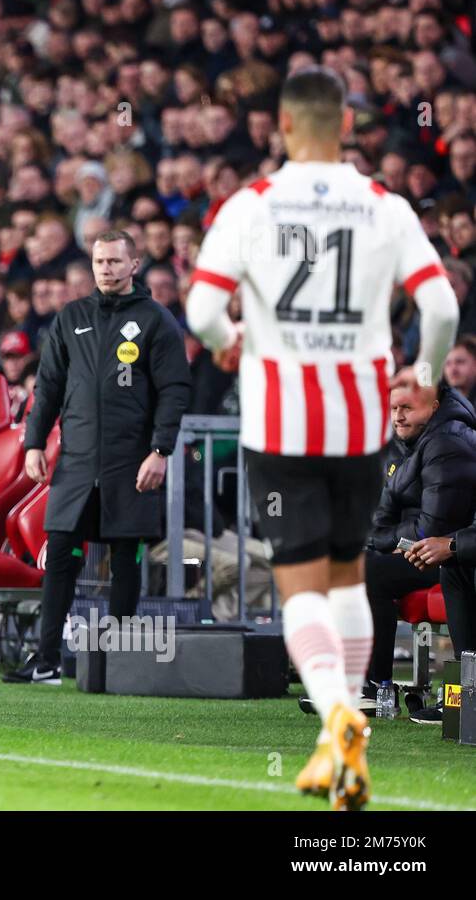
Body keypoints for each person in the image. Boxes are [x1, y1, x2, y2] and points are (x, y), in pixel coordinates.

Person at [186, 67, 460, 810]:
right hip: (361, 425)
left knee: (300, 583)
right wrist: (425, 373)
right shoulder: (385, 205)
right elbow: (439, 304)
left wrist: (232, 338)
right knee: (346, 579)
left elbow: (204, 311)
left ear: (282, 123)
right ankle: (337, 741)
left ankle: (340, 717)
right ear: (345, 124)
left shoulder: (251, 204)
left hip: (280, 421)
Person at [8, 229, 191, 686]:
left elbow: (175, 390)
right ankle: (48, 659)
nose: (106, 270)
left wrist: (161, 450)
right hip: (77, 460)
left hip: (131, 460)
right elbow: (47, 385)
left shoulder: (156, 320)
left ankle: (118, 664)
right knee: (63, 553)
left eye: (114, 262)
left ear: (134, 265)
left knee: (125, 555)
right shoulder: (72, 317)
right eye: (99, 263)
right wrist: (33, 442)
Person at [361, 381, 476, 723]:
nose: (398, 416)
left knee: (451, 563)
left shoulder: (448, 442)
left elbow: (434, 526)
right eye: (394, 408)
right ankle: (376, 685)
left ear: (434, 406)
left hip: (437, 549)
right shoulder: (406, 444)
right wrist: (387, 541)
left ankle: (378, 687)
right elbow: (382, 517)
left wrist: (446, 544)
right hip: (430, 549)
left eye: (407, 408)